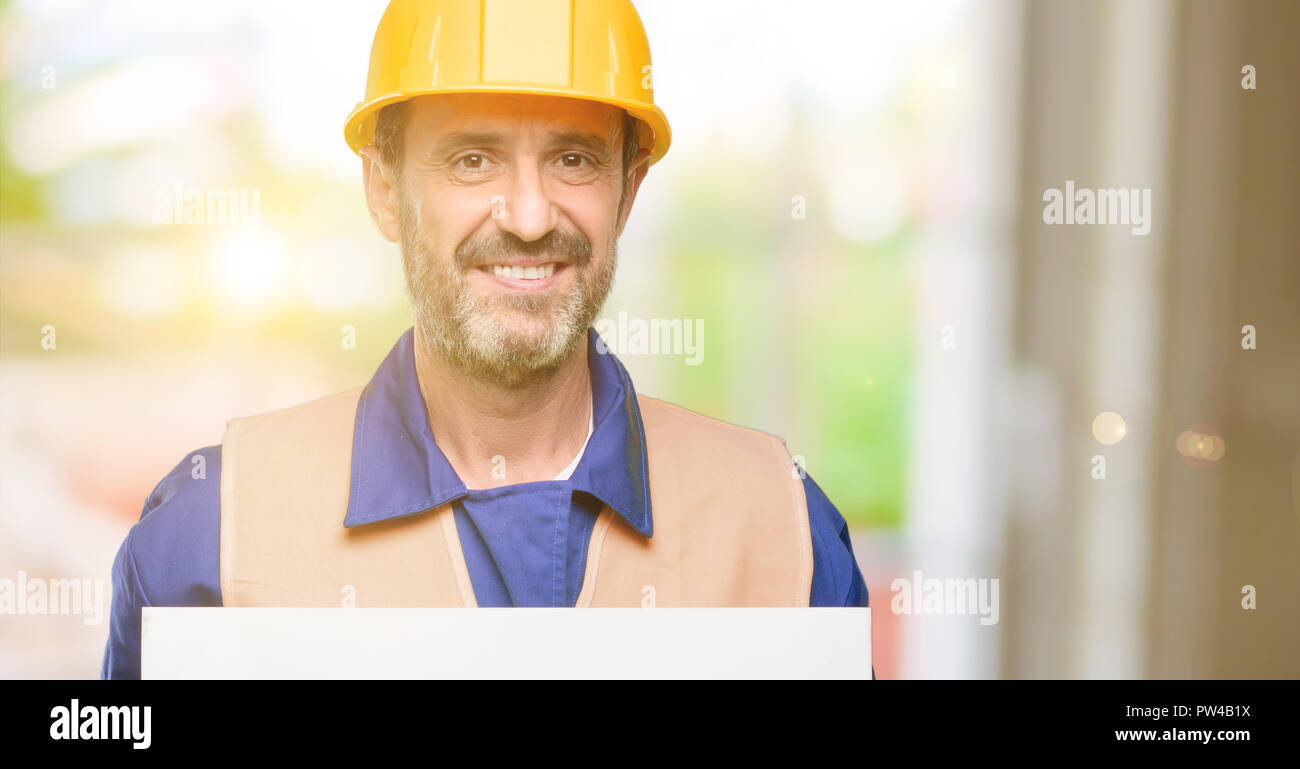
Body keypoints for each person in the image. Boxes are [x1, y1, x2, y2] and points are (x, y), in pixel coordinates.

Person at [101, 0, 870, 680]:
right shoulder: (213, 531)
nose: (530, 217)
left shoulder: (780, 524)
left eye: (574, 158)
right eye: (473, 159)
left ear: (627, 191)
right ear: (384, 191)